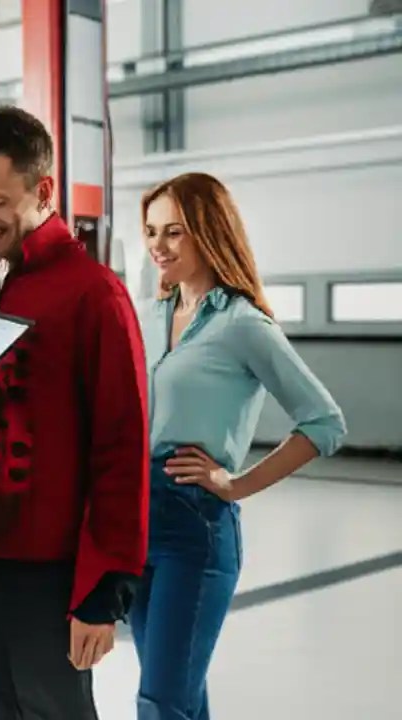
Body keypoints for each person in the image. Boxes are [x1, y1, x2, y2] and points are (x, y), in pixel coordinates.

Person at [0, 105, 150, 720]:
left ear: (42, 190)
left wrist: (104, 590)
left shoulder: (95, 295)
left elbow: (121, 447)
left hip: (52, 570)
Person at [131, 172, 346, 719]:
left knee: (161, 701)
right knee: (181, 694)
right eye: (152, 231)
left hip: (194, 529)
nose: (158, 246)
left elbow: (324, 421)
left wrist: (236, 483)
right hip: (133, 523)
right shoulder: (145, 317)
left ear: (209, 232)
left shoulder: (243, 324)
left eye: (174, 232)